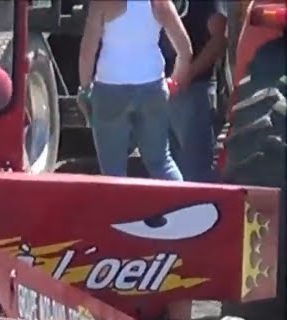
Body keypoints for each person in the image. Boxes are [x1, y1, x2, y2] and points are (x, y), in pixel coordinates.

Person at [78, 0, 192, 180]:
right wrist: (173, 82)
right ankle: (182, 203)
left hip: (110, 89)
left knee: (113, 171)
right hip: (152, 87)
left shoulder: (102, 4)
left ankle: (119, 208)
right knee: (161, 162)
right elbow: (185, 51)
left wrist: (85, 90)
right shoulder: (160, 4)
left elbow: (87, 51)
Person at [162, 0, 227, 183]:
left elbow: (219, 38)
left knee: (196, 171)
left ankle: (197, 209)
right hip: (162, 91)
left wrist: (188, 74)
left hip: (194, 90)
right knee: (167, 170)